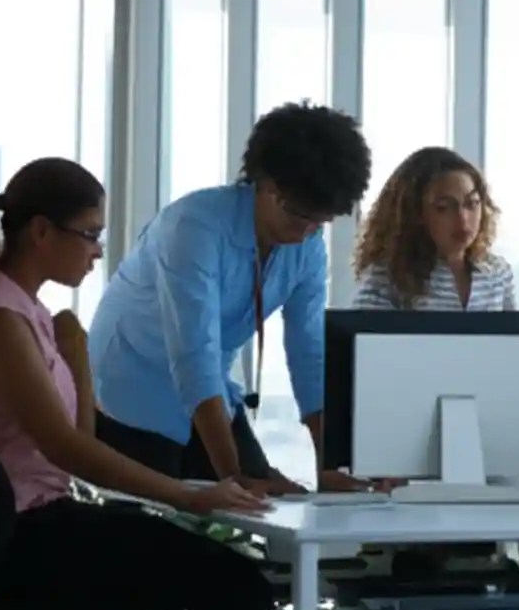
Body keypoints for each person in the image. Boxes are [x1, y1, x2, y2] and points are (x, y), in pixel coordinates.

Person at [0, 158, 273, 610]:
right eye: (89, 234)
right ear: (42, 232)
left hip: (32, 528)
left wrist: (76, 358)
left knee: (203, 569)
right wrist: (186, 495)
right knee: (239, 587)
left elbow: (78, 443)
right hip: (17, 545)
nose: (98, 251)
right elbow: (65, 449)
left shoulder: (26, 314)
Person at [89, 101, 375, 493]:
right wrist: (232, 478)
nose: (308, 231)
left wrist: (328, 464)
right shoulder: (194, 227)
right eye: (299, 215)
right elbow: (195, 352)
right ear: (267, 184)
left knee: (271, 504)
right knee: (178, 527)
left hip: (212, 389)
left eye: (320, 221)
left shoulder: (308, 245)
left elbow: (310, 353)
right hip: (130, 387)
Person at [352, 146, 515, 311]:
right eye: (444, 208)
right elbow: (368, 336)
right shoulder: (385, 279)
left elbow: (514, 336)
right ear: (414, 213)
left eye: (471, 204)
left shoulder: (497, 273)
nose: (463, 218)